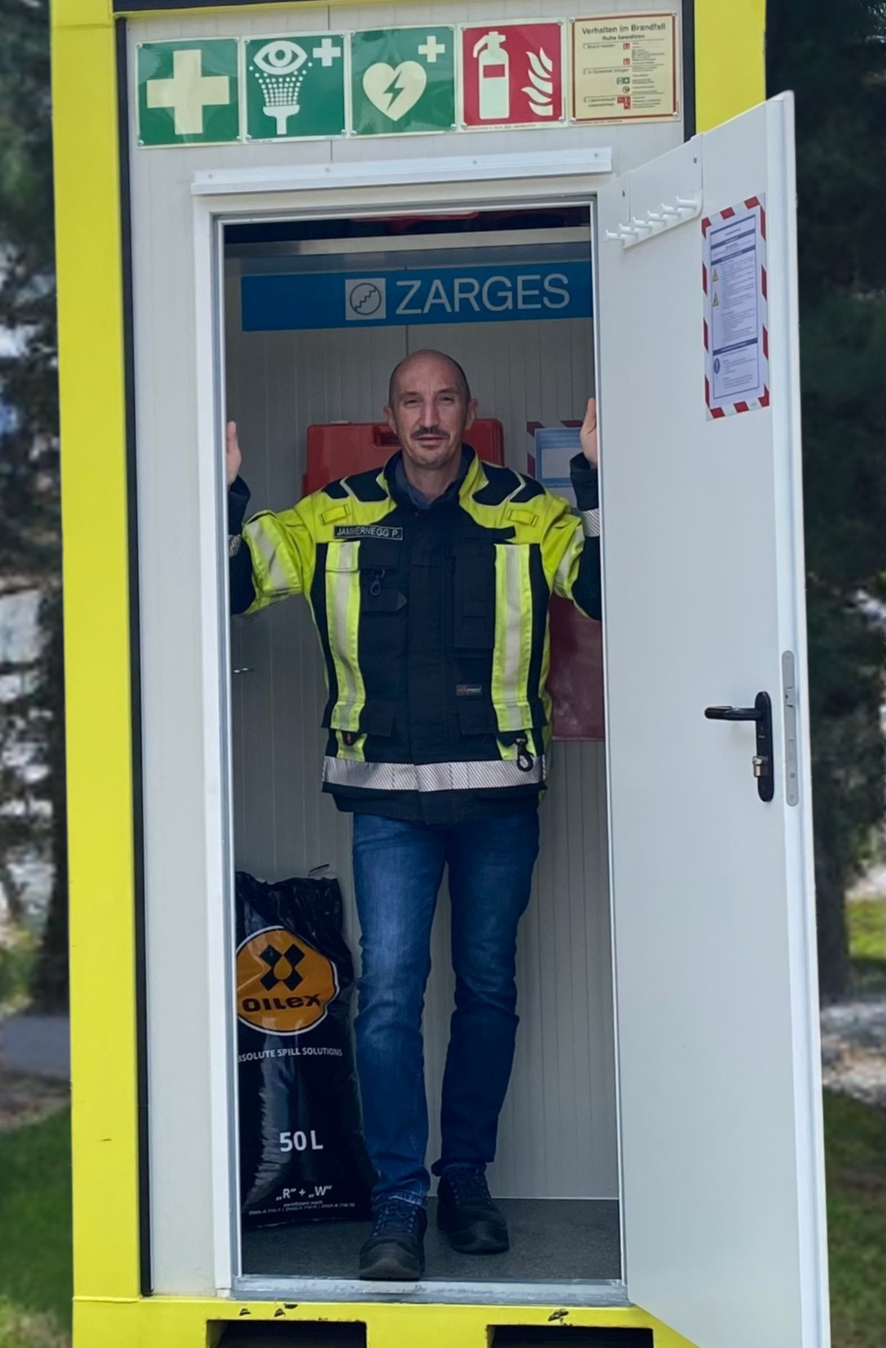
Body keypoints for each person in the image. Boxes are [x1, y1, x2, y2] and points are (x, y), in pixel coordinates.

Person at [226, 350, 600, 1283]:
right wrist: (221, 494)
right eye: (411, 402)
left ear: (470, 411)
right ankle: (398, 1201)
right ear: (387, 415)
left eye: (444, 400)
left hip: (498, 799)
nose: (428, 417)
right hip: (386, 801)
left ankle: (463, 1182)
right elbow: (227, 587)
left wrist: (595, 481)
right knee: (390, 997)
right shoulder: (335, 512)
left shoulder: (528, 510)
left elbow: (607, 589)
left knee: (487, 992)